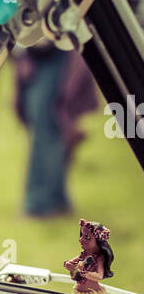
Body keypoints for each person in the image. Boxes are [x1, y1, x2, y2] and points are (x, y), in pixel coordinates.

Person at [14, 44, 97, 216]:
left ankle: (40, 204)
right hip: (38, 48)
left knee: (48, 127)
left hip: (56, 44)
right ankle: (57, 200)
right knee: (49, 127)